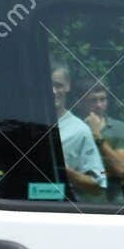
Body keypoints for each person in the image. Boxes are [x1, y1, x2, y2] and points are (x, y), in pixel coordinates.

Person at [50, 65, 105, 199]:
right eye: (48, 84)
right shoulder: (18, 125)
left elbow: (97, 185)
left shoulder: (79, 130)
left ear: (68, 86)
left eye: (58, 85)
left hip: (57, 206)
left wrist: (63, 170)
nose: (53, 91)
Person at [78, 80, 124, 206]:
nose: (99, 105)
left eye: (102, 99)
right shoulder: (72, 127)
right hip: (79, 197)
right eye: (93, 100)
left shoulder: (119, 128)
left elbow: (122, 169)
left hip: (112, 198)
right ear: (81, 103)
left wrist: (98, 137)